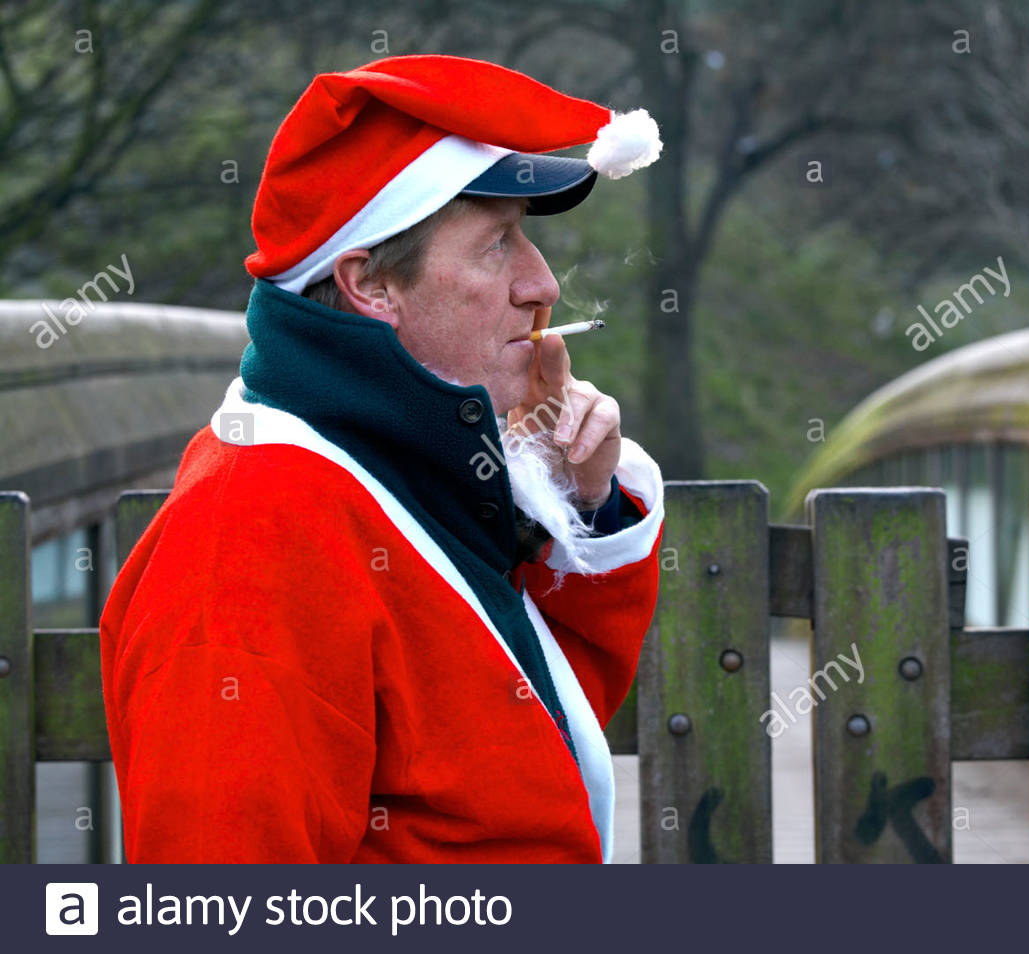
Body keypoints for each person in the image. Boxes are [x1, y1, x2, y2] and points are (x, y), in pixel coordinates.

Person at [98, 54, 666, 863]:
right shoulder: (249, 539)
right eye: (499, 244)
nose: (544, 284)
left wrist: (575, 499)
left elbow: (526, 750)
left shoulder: (381, 461)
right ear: (371, 285)